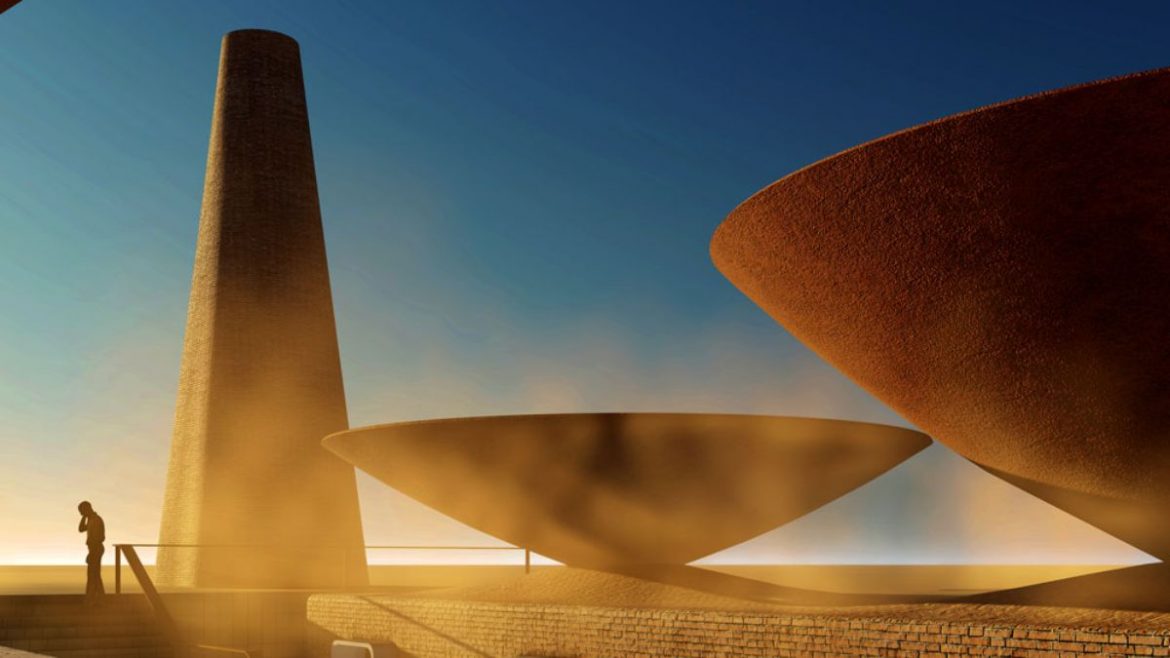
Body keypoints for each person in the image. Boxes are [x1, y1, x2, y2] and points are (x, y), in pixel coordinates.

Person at [77, 501, 105, 603]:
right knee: (95, 575)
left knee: (93, 575)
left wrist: (91, 553)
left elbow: (100, 538)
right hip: (93, 549)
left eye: (81, 511)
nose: (81, 513)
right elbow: (80, 529)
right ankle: (99, 598)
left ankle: (93, 599)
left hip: (95, 549)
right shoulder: (90, 520)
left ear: (87, 509)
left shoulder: (96, 520)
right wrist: (84, 517)